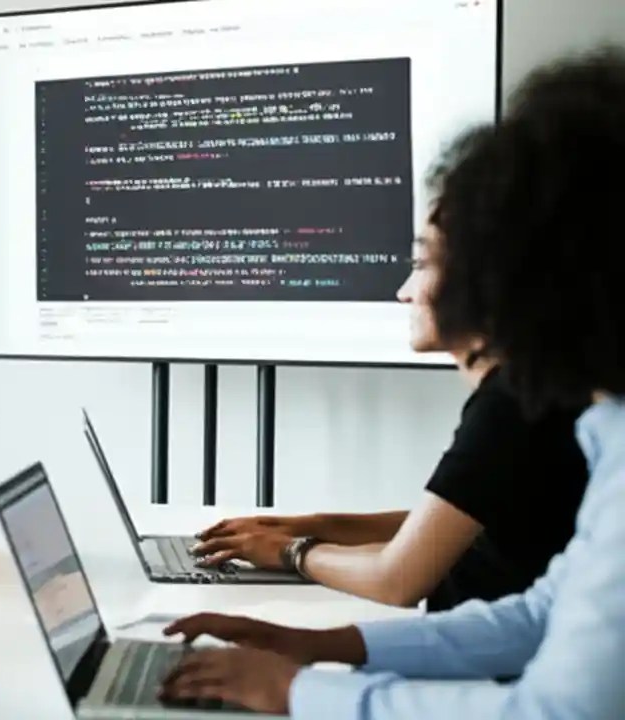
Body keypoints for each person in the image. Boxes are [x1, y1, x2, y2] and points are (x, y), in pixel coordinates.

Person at [157, 47, 625, 718]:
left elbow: (552, 712)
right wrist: (313, 646)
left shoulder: (544, 414)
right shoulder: (605, 430)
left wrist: (296, 688)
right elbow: (538, 614)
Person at [190, 221, 589, 611]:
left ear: (482, 282)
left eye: (420, 267)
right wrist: (308, 525)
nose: (403, 293)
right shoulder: (535, 392)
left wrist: (291, 551)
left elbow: (396, 580)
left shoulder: (511, 408)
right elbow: (450, 527)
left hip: (482, 667)